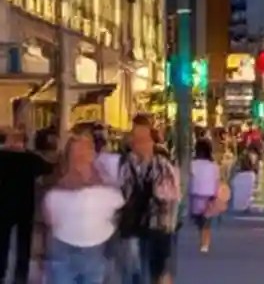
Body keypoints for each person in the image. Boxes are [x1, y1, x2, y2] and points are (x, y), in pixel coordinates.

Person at [43, 132, 124, 284]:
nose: (81, 155)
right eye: (77, 152)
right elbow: (49, 214)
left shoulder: (105, 179)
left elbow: (118, 203)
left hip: (96, 249)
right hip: (62, 249)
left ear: (93, 154)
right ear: (69, 156)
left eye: (86, 150)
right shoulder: (57, 182)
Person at [117, 121, 180, 284]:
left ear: (152, 142)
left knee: (158, 270)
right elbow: (121, 191)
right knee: (134, 270)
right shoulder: (125, 164)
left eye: (144, 140)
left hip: (159, 225)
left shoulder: (163, 164)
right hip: (132, 225)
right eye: (136, 140)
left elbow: (170, 195)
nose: (140, 144)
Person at [0, 126, 54, 284]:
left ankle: (1, 273)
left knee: (2, 241)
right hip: (25, 205)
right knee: (23, 243)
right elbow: (48, 168)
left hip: (3, 206)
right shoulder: (30, 158)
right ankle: (20, 275)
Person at [188, 139, 221, 254]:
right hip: (209, 195)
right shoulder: (214, 166)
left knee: (199, 220)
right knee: (207, 222)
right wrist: (216, 195)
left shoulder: (192, 165)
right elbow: (216, 181)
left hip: (196, 194)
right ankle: (205, 243)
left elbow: (190, 179)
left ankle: (202, 239)